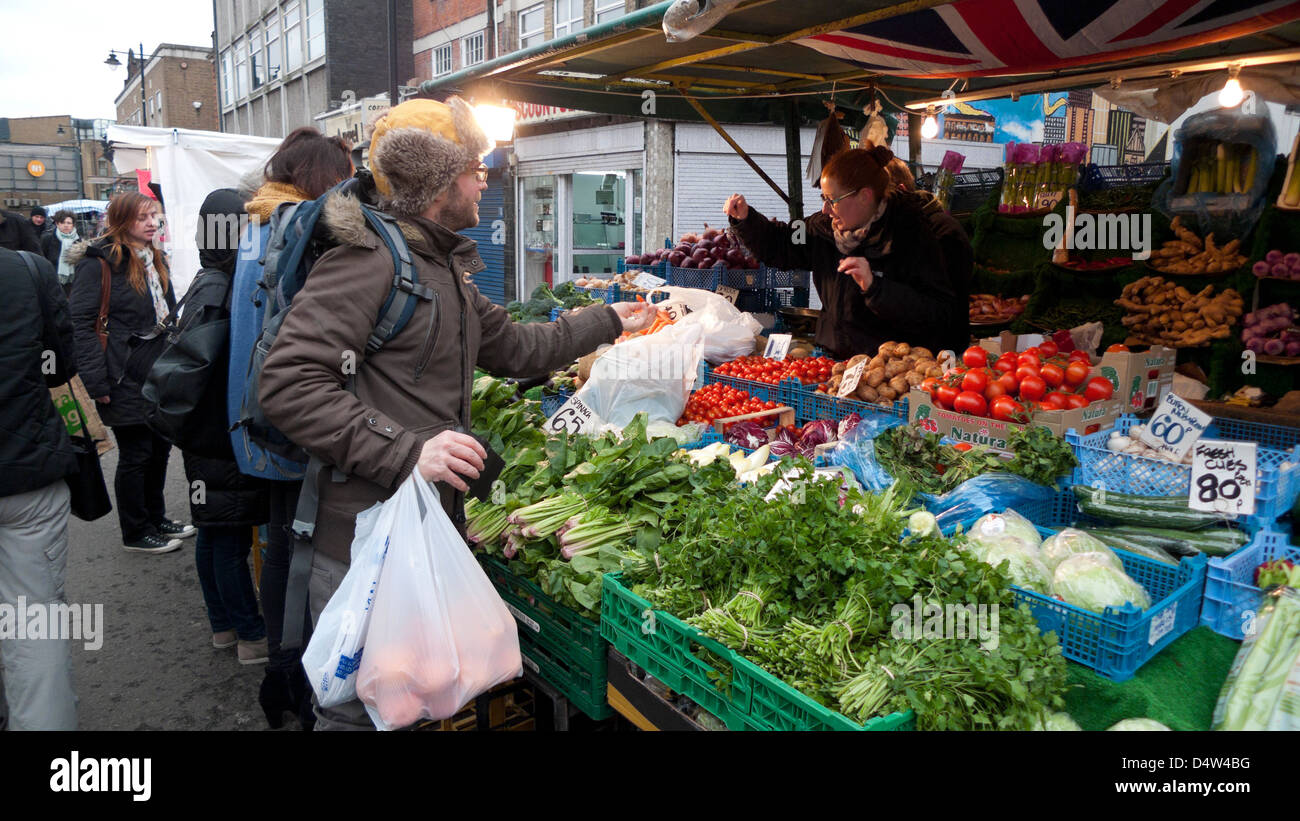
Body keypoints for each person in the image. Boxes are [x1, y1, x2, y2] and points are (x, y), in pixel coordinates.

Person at [257, 96, 655, 730]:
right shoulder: (368, 259)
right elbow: (286, 382)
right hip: (364, 536)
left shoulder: (442, 267)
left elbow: (519, 349)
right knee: (360, 712)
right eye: (474, 166)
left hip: (420, 527)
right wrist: (407, 449)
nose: (485, 178)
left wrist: (609, 319)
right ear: (437, 180)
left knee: (409, 700)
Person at [229, 126, 354, 728]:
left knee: (283, 542)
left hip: (253, 412)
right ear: (321, 177)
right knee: (301, 547)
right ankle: (301, 678)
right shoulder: (298, 227)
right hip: (286, 416)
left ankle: (284, 671)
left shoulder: (256, 222)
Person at [725, 146, 965, 358]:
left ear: (864, 196)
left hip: (885, 371)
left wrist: (875, 287)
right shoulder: (820, 227)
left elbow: (938, 312)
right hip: (833, 359)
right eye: (823, 198)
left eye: (833, 200)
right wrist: (747, 220)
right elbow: (783, 242)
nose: (825, 209)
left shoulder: (912, 234)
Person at [68, 192, 194, 554]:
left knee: (159, 449)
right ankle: (136, 531)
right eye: (143, 218)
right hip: (121, 374)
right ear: (123, 221)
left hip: (157, 368)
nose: (152, 223)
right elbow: (81, 323)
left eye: (155, 216)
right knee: (137, 454)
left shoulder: (154, 257)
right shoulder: (100, 263)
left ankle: (156, 517)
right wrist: (97, 381)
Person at [185, 189, 271, 667]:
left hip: (202, 433)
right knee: (229, 535)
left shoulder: (206, 280)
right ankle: (250, 634)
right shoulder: (224, 289)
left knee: (213, 532)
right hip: (218, 431)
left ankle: (223, 626)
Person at [0, 246, 79, 730]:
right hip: (24, 470)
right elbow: (58, 366)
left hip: (26, 471)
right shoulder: (27, 269)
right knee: (33, 623)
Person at [42, 210, 81, 293]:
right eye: (62, 222)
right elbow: (42, 258)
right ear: (57, 224)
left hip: (73, 281)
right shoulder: (48, 238)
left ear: (73, 225)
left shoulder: (78, 240)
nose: (66, 225)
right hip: (53, 280)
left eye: (69, 223)